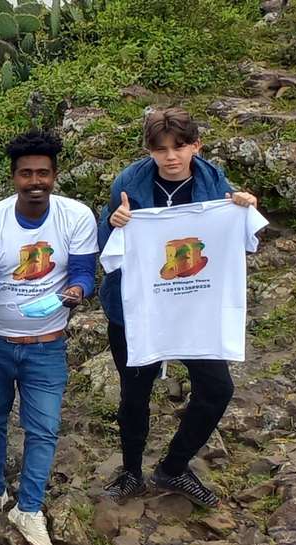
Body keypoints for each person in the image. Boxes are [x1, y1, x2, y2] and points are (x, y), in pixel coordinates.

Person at [97, 106, 260, 507]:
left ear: (195, 146)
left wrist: (246, 206)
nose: (170, 156)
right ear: (149, 150)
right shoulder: (129, 183)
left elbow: (241, 229)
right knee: (134, 395)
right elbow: (104, 244)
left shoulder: (213, 181)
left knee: (218, 389)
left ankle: (173, 466)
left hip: (194, 310)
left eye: (180, 146)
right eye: (160, 148)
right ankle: (131, 472)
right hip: (138, 312)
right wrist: (114, 221)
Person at [0, 130, 100, 545]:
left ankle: (30, 507)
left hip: (47, 343)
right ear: (13, 177)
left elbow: (83, 270)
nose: (34, 181)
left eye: (42, 173)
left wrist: (77, 290)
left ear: (55, 175)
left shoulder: (76, 216)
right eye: (25, 174)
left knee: (44, 427)